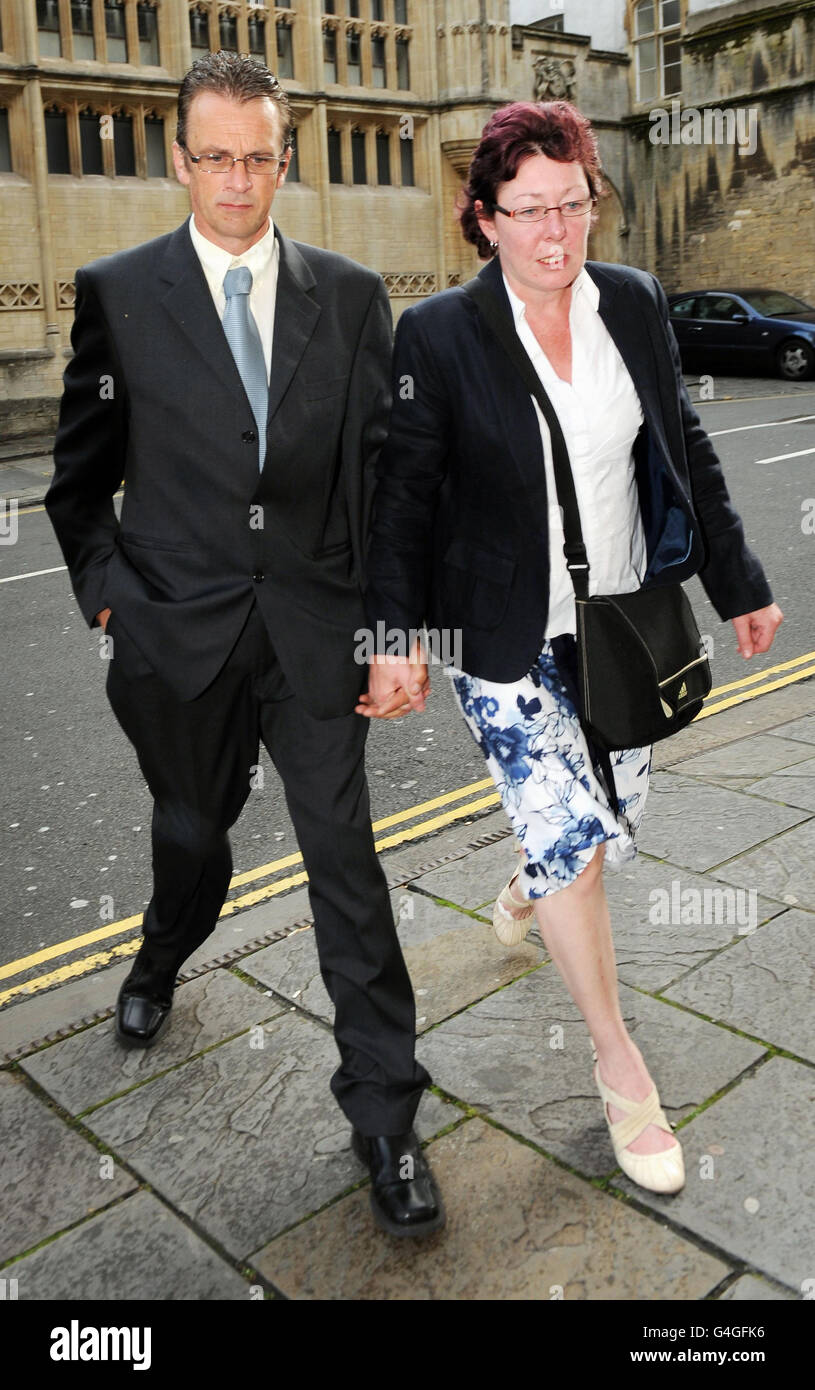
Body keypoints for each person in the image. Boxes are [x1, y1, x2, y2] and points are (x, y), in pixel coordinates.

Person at [46, 51, 443, 1239]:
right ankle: (161, 960)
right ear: (179, 161)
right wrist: (115, 601)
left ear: (284, 159)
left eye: (255, 156)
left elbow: (388, 487)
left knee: (347, 872)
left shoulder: (352, 294)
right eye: (212, 156)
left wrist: (397, 634)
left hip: (315, 635)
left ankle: (384, 1116)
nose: (234, 180)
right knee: (192, 835)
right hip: (177, 639)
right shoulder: (118, 292)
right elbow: (77, 481)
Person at [358, 100, 783, 1195]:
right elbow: (401, 500)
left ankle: (528, 880)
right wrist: (394, 638)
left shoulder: (633, 305)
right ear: (482, 218)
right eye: (528, 211)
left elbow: (682, 444)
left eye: (572, 204)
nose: (555, 233)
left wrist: (736, 582)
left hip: (618, 626)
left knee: (608, 816)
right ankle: (616, 1060)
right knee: (576, 845)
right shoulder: (439, 337)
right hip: (498, 636)